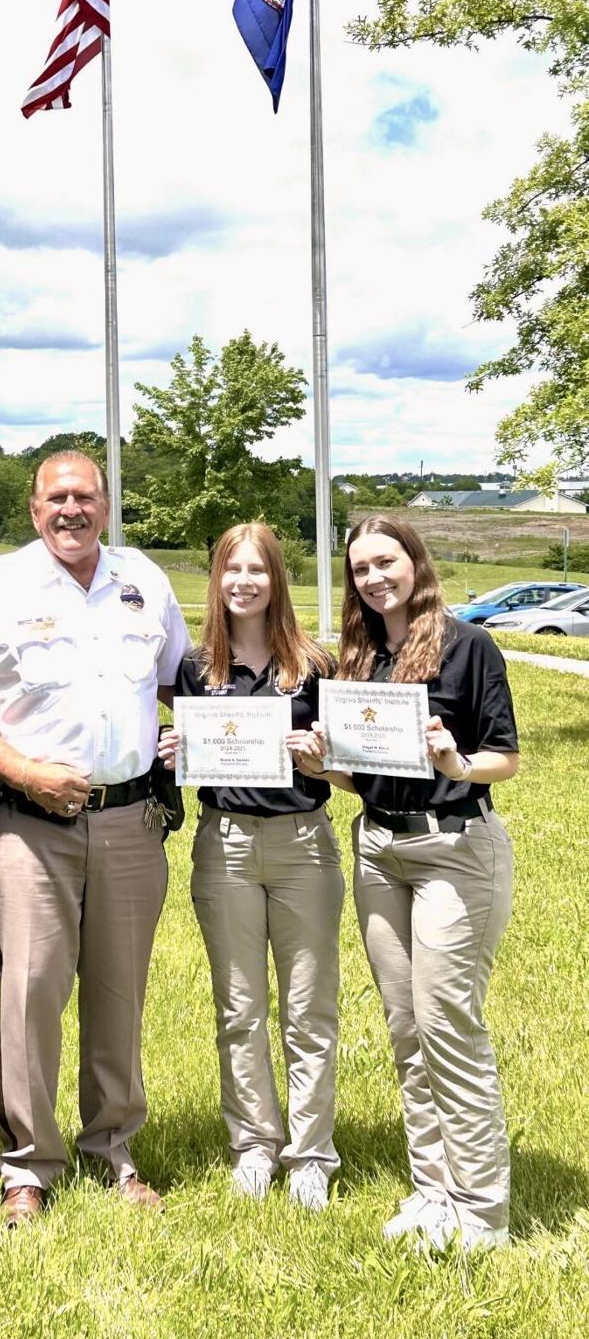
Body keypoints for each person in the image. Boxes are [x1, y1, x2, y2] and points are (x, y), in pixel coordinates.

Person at [0, 451, 191, 1227]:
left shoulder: (144, 581)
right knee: (31, 994)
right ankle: (28, 1167)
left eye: (86, 496)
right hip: (33, 827)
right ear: (33, 507)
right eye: (56, 498)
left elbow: (183, 683)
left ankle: (113, 1148)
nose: (72, 509)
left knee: (119, 996)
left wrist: (241, 716)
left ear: (105, 504)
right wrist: (29, 772)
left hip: (132, 822)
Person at [292, 515, 518, 1254]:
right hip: (380, 848)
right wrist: (319, 763)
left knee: (449, 1025)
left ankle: (481, 1210)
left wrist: (457, 761)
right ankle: (432, 1191)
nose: (374, 577)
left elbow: (504, 760)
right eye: (360, 568)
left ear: (415, 562)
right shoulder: (357, 658)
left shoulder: (469, 646)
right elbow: (360, 771)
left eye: (385, 561)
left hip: (453, 847)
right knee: (407, 1031)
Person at [158, 523, 343, 1211]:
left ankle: (311, 1154)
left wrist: (322, 755)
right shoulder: (195, 669)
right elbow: (187, 752)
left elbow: (346, 765)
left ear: (277, 579)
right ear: (217, 578)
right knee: (239, 1008)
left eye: (257, 569)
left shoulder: (316, 665)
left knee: (309, 1008)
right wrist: (175, 749)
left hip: (303, 844)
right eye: (231, 568)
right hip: (226, 844)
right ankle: (254, 1146)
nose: (243, 581)